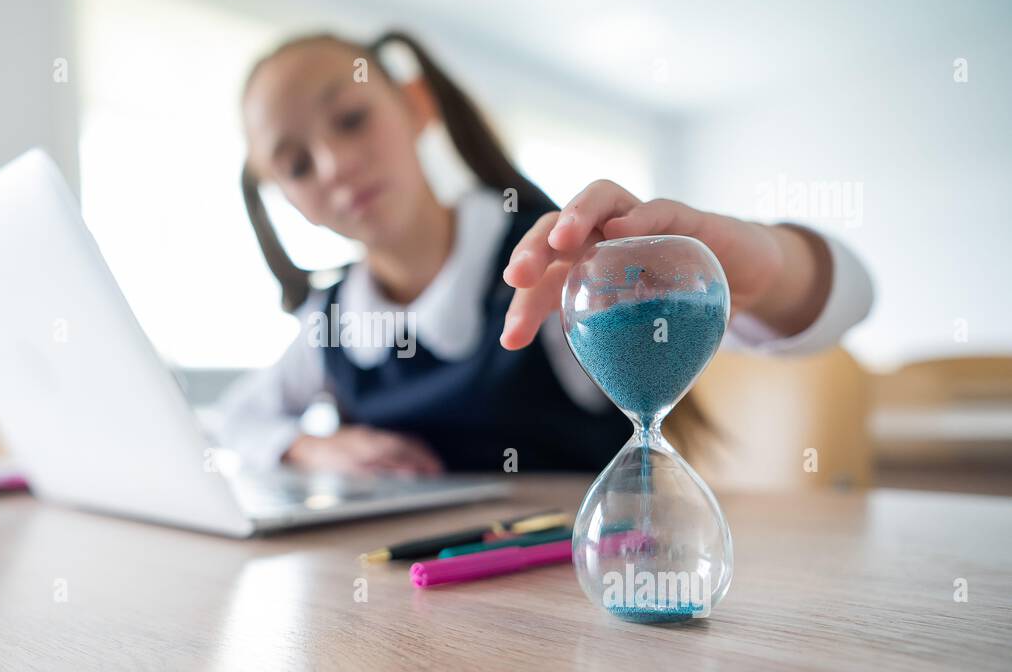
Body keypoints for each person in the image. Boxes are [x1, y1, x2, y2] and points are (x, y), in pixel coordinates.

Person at [217, 30, 873, 476]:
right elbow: (238, 417)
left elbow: (849, 297)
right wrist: (309, 446)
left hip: (569, 596)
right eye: (297, 164)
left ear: (415, 107)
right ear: (285, 197)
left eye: (352, 119)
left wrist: (771, 265)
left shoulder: (551, 261)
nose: (333, 165)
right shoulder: (333, 319)